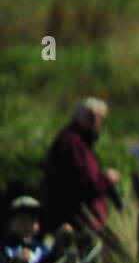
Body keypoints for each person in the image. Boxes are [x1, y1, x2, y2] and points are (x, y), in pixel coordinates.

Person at [40, 97, 123, 235]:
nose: (96, 122)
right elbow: (87, 182)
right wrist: (107, 179)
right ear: (78, 116)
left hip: (83, 226)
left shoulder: (80, 142)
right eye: (91, 116)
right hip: (74, 227)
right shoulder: (71, 142)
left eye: (100, 118)